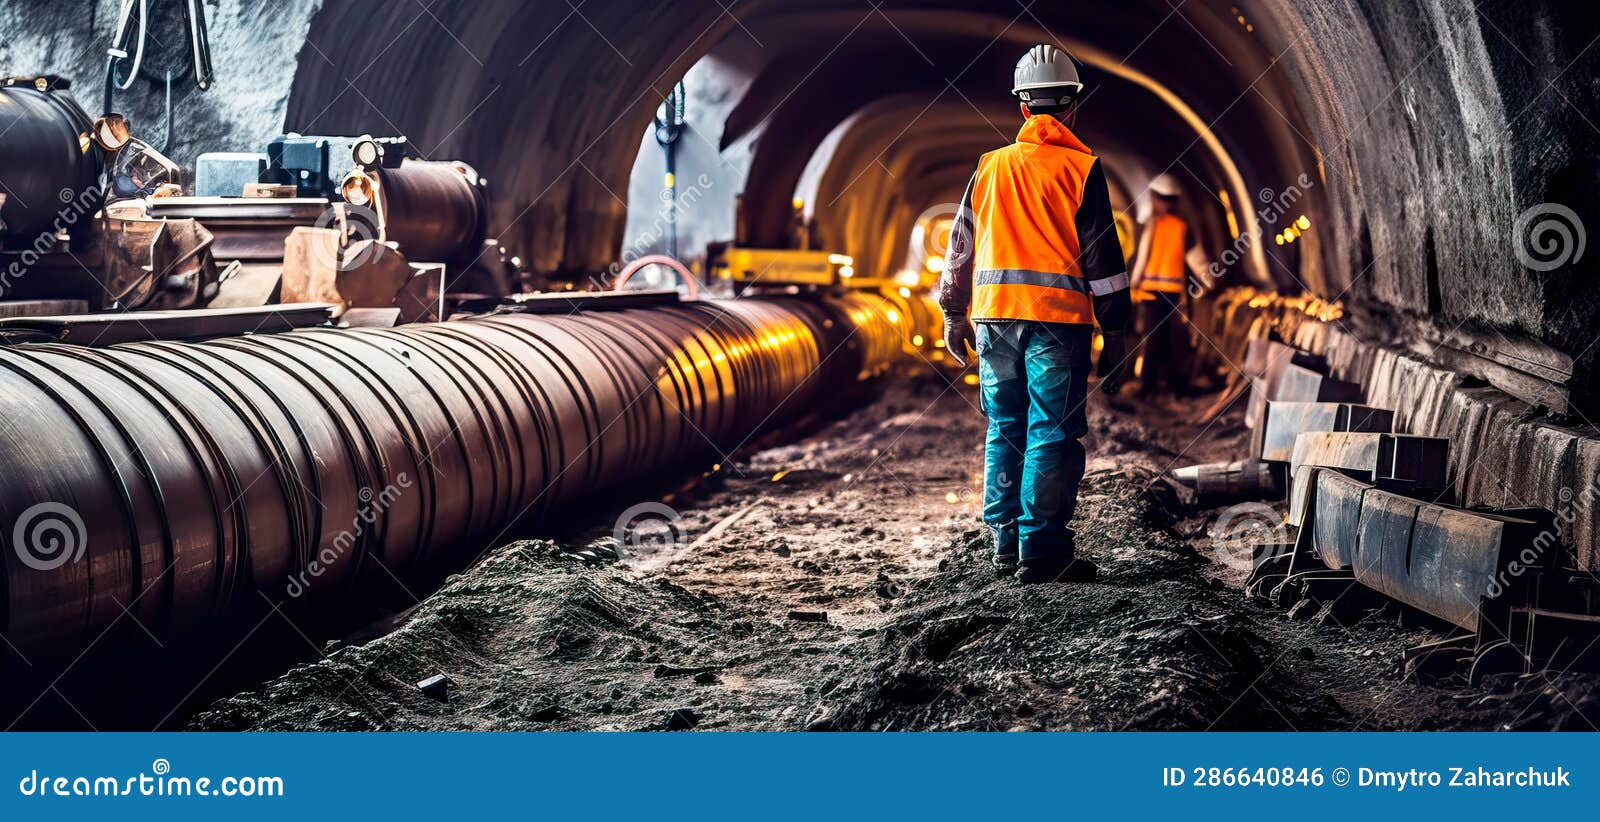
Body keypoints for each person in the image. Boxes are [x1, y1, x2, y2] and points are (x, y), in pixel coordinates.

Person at [937, 44, 1132, 584]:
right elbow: (1103, 260)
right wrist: (1116, 332)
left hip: (994, 320)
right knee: (1051, 430)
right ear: (1073, 106)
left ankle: (1004, 542)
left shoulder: (989, 167)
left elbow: (960, 246)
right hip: (1058, 322)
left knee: (1005, 427)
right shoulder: (1082, 169)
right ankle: (1041, 548)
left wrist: (953, 312)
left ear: (1023, 107)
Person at [1129, 175, 1192, 398]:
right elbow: (1197, 260)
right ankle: (1162, 387)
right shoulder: (1177, 227)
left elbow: (1139, 260)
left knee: (1157, 340)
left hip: (1159, 294)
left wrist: (1132, 283)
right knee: (1162, 340)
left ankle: (1154, 387)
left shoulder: (1156, 226)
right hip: (1165, 295)